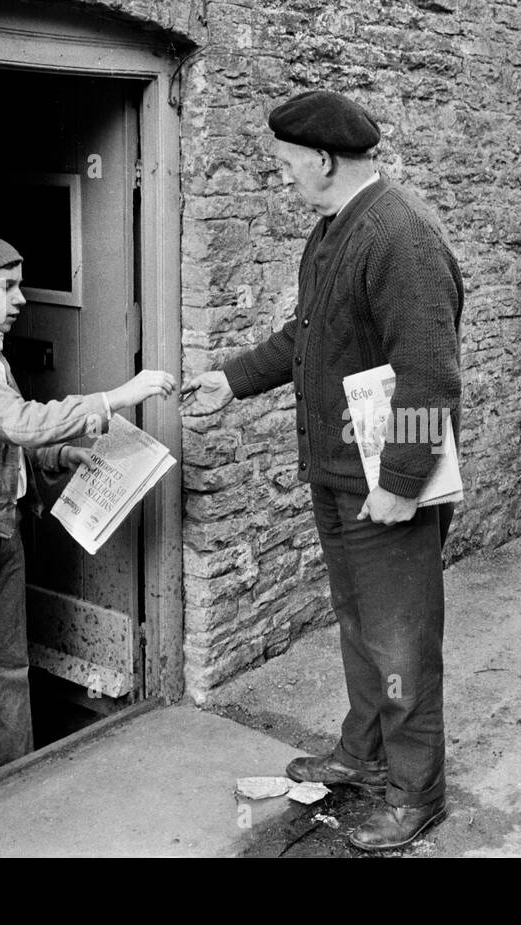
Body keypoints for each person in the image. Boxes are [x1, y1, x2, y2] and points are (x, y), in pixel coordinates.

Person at [183, 90, 464, 851]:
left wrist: (402, 487)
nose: (281, 177)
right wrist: (233, 378)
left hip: (385, 486)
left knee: (402, 641)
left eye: (285, 165)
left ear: (324, 159)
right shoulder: (332, 231)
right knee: (360, 627)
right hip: (341, 477)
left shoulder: (399, 237)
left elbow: (430, 374)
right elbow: (304, 337)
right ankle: (365, 757)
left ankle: (416, 793)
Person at [0, 216, 176, 796]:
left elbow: (3, 440)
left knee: (8, 667)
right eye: (5, 287)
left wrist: (60, 459)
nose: (20, 298)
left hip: (3, 525)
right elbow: (16, 422)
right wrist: (115, 397)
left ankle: (12, 786)